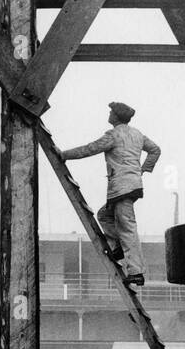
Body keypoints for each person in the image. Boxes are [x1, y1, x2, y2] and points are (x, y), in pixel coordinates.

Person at [57, 101, 161, 286]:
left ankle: (136, 272)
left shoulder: (113, 135)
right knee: (104, 215)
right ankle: (119, 247)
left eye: (111, 112)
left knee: (127, 228)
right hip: (131, 186)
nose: (109, 114)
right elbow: (155, 150)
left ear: (116, 116)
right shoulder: (137, 134)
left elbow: (90, 148)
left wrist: (64, 155)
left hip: (121, 187)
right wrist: (142, 170)